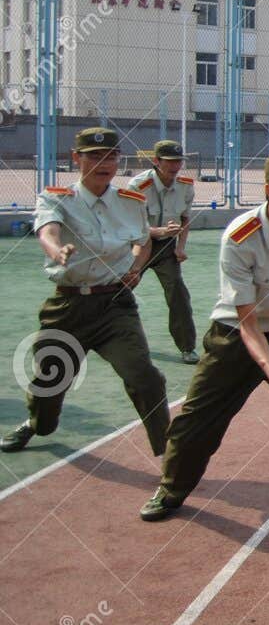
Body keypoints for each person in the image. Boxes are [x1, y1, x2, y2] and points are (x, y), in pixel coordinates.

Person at [138, 153, 269, 560]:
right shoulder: (240, 237)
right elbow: (248, 321)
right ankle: (172, 488)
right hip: (236, 337)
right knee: (197, 420)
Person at [3, 127, 171, 456]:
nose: (104, 164)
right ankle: (37, 424)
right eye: (94, 156)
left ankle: (170, 454)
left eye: (111, 156)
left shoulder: (131, 202)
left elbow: (143, 240)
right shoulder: (57, 197)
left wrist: (136, 267)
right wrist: (57, 251)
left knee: (145, 377)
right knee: (50, 380)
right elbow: (48, 231)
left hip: (115, 305)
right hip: (68, 306)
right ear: (76, 158)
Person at [127, 138, 199, 363]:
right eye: (170, 161)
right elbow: (131, 226)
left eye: (179, 161)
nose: (176, 166)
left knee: (178, 292)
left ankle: (187, 347)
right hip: (137, 244)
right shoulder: (137, 186)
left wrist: (180, 247)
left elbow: (185, 219)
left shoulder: (185, 186)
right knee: (120, 290)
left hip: (166, 247)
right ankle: (106, 336)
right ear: (157, 161)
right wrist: (158, 231)